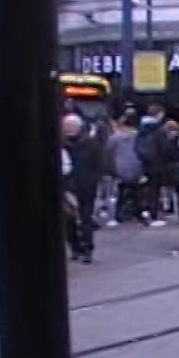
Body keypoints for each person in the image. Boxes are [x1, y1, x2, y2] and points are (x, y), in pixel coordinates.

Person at [61, 113, 103, 264]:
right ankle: (75, 247)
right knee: (69, 220)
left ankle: (88, 249)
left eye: (72, 126)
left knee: (86, 218)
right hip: (67, 188)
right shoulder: (61, 144)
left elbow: (98, 164)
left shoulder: (91, 144)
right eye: (66, 126)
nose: (69, 129)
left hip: (86, 187)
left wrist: (94, 181)